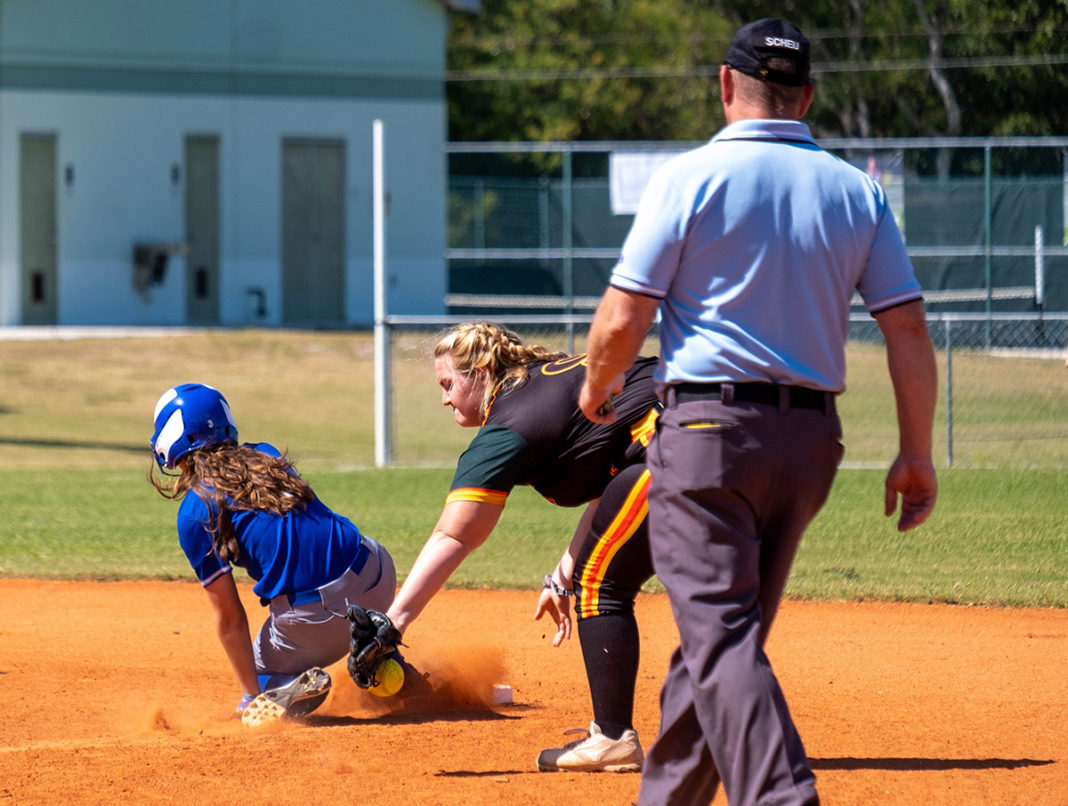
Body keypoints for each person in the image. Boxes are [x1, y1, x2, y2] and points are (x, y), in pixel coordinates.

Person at [577, 17, 938, 806]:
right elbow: (906, 325)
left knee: (720, 636)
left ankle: (780, 795)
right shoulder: (857, 188)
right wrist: (916, 450)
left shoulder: (688, 177)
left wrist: (596, 385)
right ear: (806, 97)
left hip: (708, 436)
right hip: (812, 443)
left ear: (723, 84)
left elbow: (621, 318)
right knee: (719, 640)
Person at [384, 322, 661, 772]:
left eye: (448, 383)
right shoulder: (551, 378)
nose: (445, 399)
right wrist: (562, 573)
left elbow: (455, 534)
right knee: (717, 591)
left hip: (682, 443)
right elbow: (611, 483)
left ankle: (612, 738)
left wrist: (391, 624)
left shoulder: (509, 422)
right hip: (741, 431)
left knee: (601, 587)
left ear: (480, 372)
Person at [148, 383, 400, 726]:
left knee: (262, 676)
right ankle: (384, 660)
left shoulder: (195, 512)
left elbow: (230, 619)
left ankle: (274, 689)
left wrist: (252, 697)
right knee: (335, 558)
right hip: (379, 572)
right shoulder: (265, 453)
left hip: (320, 620)